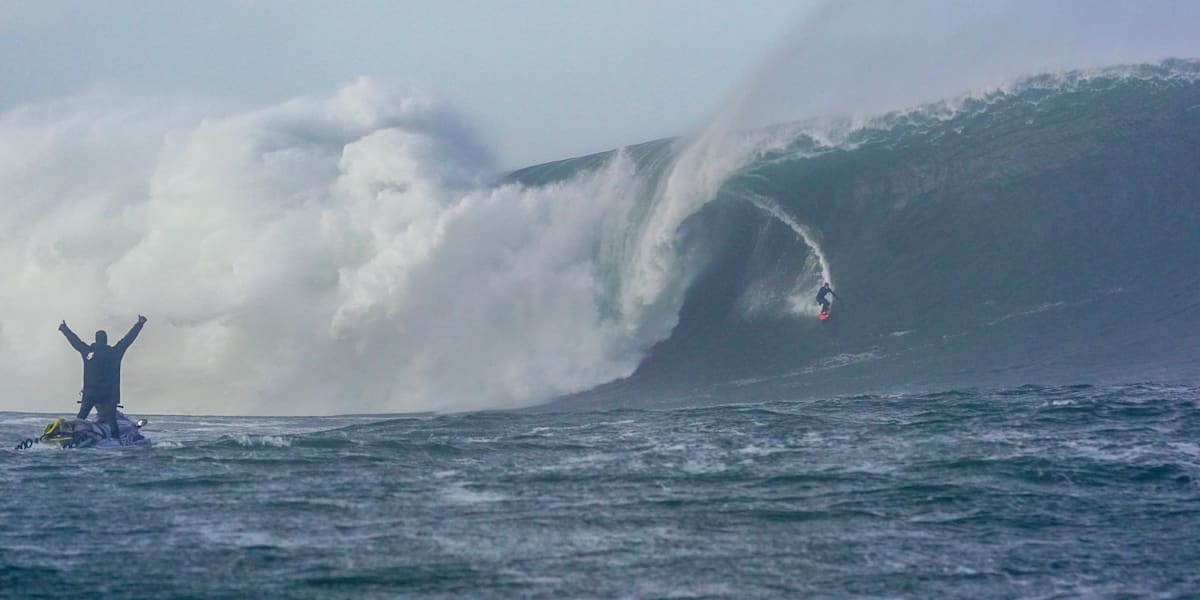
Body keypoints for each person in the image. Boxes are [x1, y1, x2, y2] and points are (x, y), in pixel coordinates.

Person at [58, 316, 147, 440]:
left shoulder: (87, 351)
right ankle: (116, 442)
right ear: (106, 341)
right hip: (108, 395)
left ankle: (68, 438)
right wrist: (140, 324)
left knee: (80, 419)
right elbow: (128, 339)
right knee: (112, 421)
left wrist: (64, 329)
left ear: (96, 339)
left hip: (90, 393)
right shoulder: (115, 352)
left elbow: (75, 342)